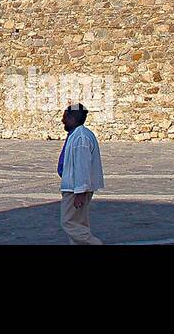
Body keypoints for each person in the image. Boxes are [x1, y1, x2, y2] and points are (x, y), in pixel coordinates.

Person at [58, 102, 105, 244]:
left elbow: (82, 166)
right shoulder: (77, 135)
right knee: (79, 223)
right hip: (74, 187)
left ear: (72, 118)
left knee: (69, 222)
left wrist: (80, 192)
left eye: (65, 117)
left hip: (75, 189)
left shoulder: (81, 138)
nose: (62, 121)